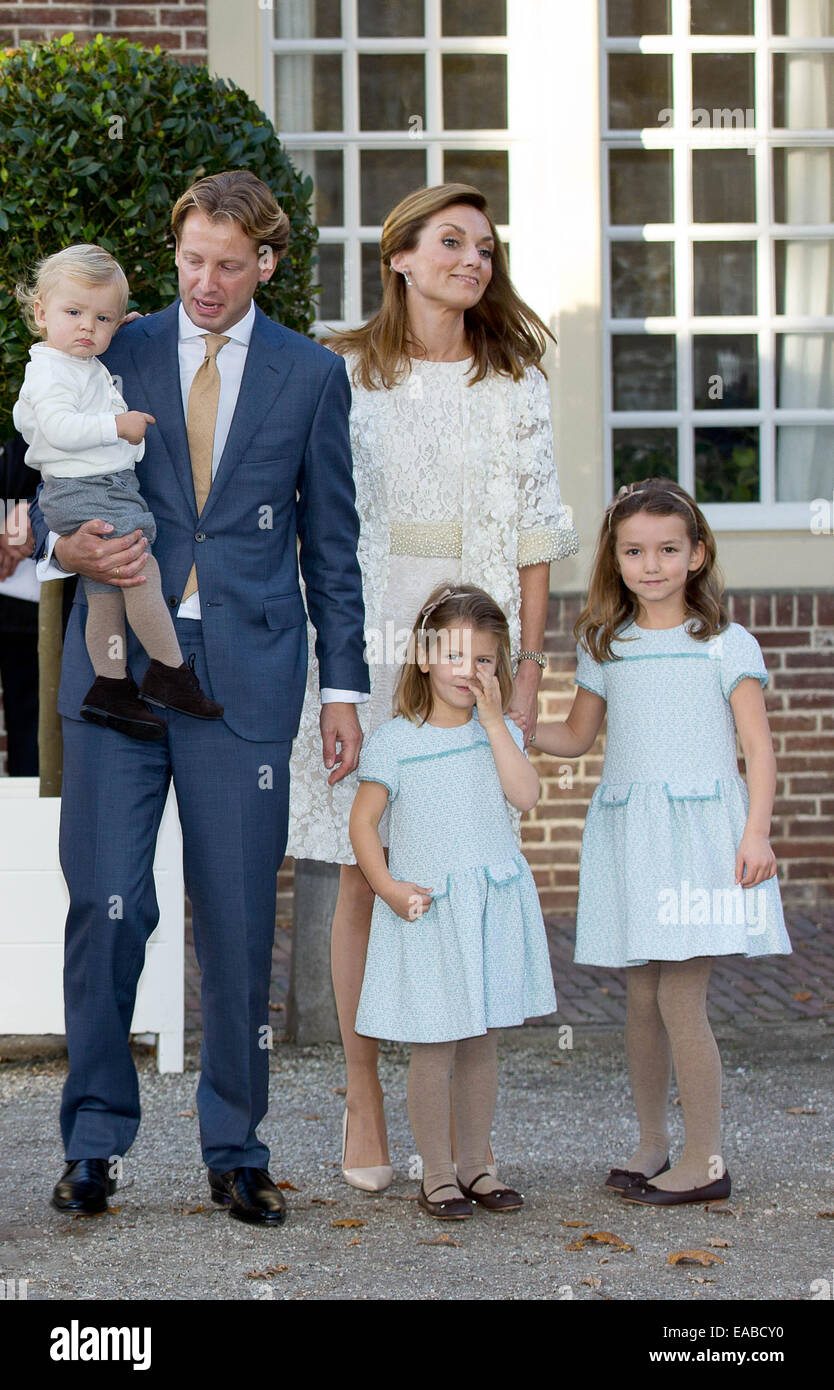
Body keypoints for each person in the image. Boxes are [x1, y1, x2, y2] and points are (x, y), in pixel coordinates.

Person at [29, 169, 368, 1225]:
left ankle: (237, 1145)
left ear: (265, 263)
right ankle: (94, 1141)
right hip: (117, 678)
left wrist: (344, 686)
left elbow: (334, 544)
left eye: (228, 263)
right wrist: (55, 540)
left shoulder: (311, 375)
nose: (207, 282)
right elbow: (37, 468)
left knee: (233, 919)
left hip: (249, 681)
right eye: (191, 262)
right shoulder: (106, 344)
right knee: (106, 903)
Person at [286, 183, 579, 1189]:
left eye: (487, 248)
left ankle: (458, 1132)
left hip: (470, 655)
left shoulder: (516, 380)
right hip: (363, 647)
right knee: (360, 867)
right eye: (452, 242)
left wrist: (528, 669)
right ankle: (364, 1099)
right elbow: (308, 511)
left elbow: (539, 534)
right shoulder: (342, 369)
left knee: (457, 870)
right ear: (400, 256)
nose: (475, 260)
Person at [533, 478, 792, 1206]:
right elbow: (578, 738)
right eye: (635, 551)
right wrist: (512, 727)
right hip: (632, 835)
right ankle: (652, 1144)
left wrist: (757, 833)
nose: (651, 565)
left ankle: (706, 1161)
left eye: (668, 550)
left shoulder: (724, 644)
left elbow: (758, 749)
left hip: (700, 841)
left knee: (681, 997)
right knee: (641, 999)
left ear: (698, 556)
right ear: (615, 559)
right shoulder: (605, 645)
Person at [349, 584, 557, 1218]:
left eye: (487, 661)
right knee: (434, 1046)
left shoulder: (499, 737)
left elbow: (526, 797)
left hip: (489, 909)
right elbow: (364, 826)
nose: (471, 671)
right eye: (456, 655)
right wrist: (387, 887)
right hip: (431, 911)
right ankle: (435, 1174)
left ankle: (477, 1166)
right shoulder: (396, 741)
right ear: (422, 656)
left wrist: (498, 724)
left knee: (481, 1045)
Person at [15, 245, 222, 738]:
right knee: (137, 566)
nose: (88, 327)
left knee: (105, 589)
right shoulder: (51, 370)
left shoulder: (73, 360)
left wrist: (116, 329)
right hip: (89, 489)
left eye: (102, 318)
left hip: (89, 487)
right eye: (74, 313)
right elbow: (61, 426)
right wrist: (118, 426)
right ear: (41, 314)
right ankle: (170, 672)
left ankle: (110, 687)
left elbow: (42, 412)